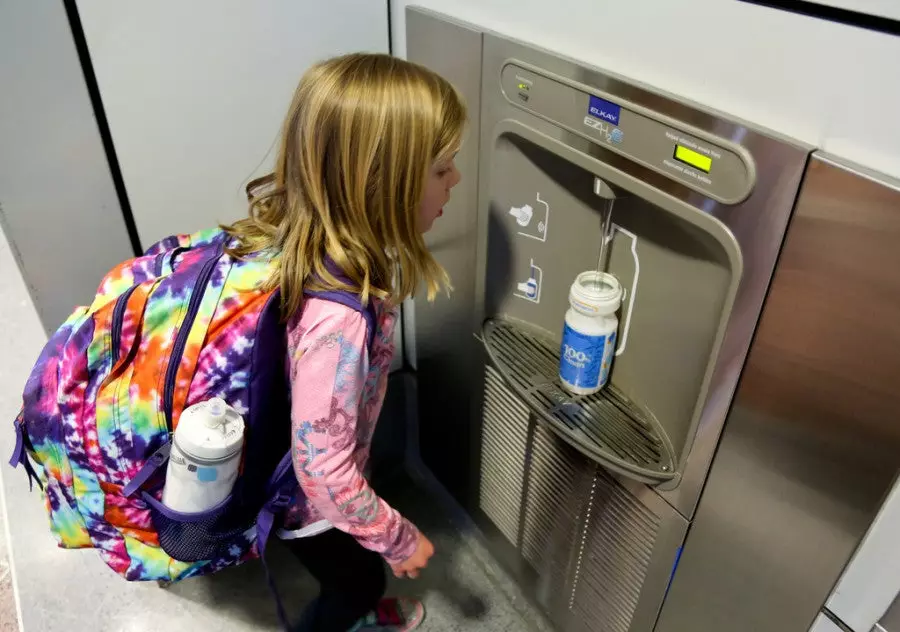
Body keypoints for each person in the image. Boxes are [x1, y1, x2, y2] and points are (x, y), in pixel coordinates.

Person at [223, 53, 466, 632]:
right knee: (356, 580)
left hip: (291, 469)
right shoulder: (338, 321)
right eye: (441, 170)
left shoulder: (305, 240)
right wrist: (398, 539)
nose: (455, 180)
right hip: (306, 503)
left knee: (351, 570)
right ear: (381, 184)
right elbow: (325, 474)